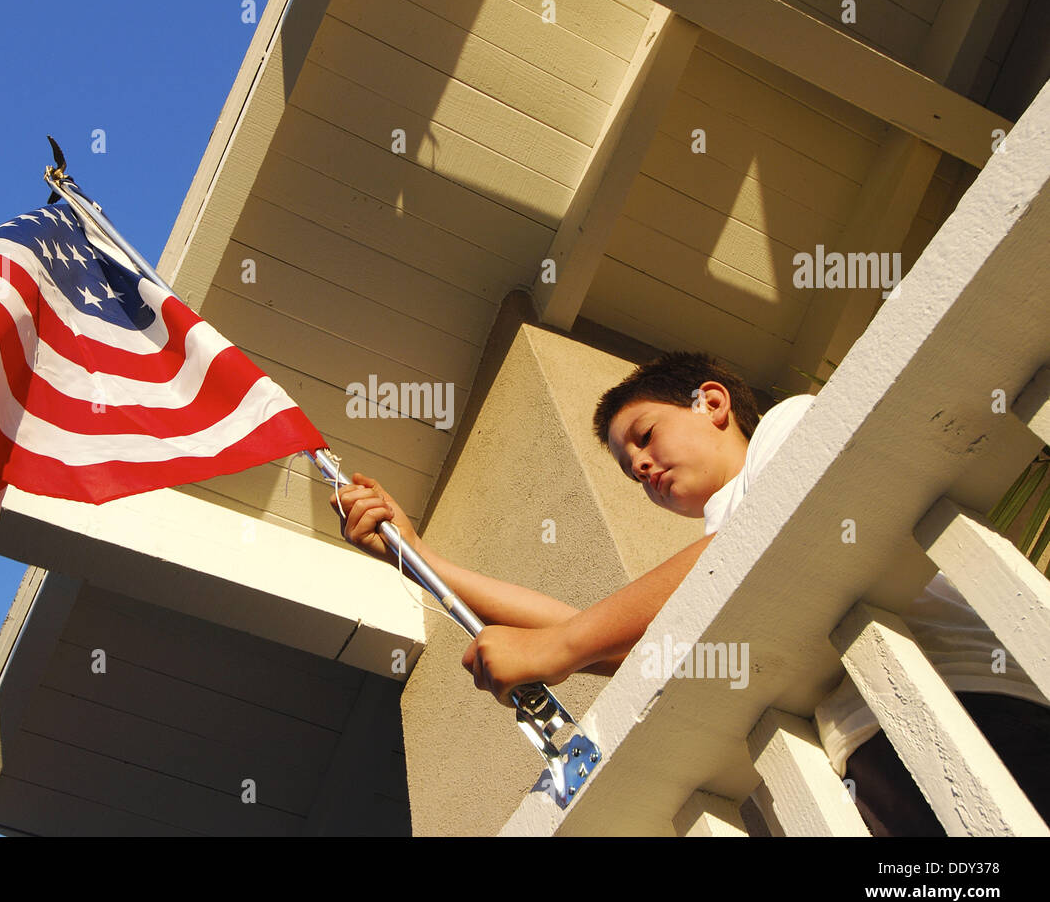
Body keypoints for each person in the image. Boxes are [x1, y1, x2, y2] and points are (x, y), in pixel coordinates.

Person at [332, 349, 1050, 835]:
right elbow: (605, 636)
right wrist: (418, 557)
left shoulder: (793, 430)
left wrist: (560, 647)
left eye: (643, 435)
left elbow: (585, 632)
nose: (639, 464)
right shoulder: (716, 549)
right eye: (625, 467)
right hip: (880, 761)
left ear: (711, 403)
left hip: (975, 710)